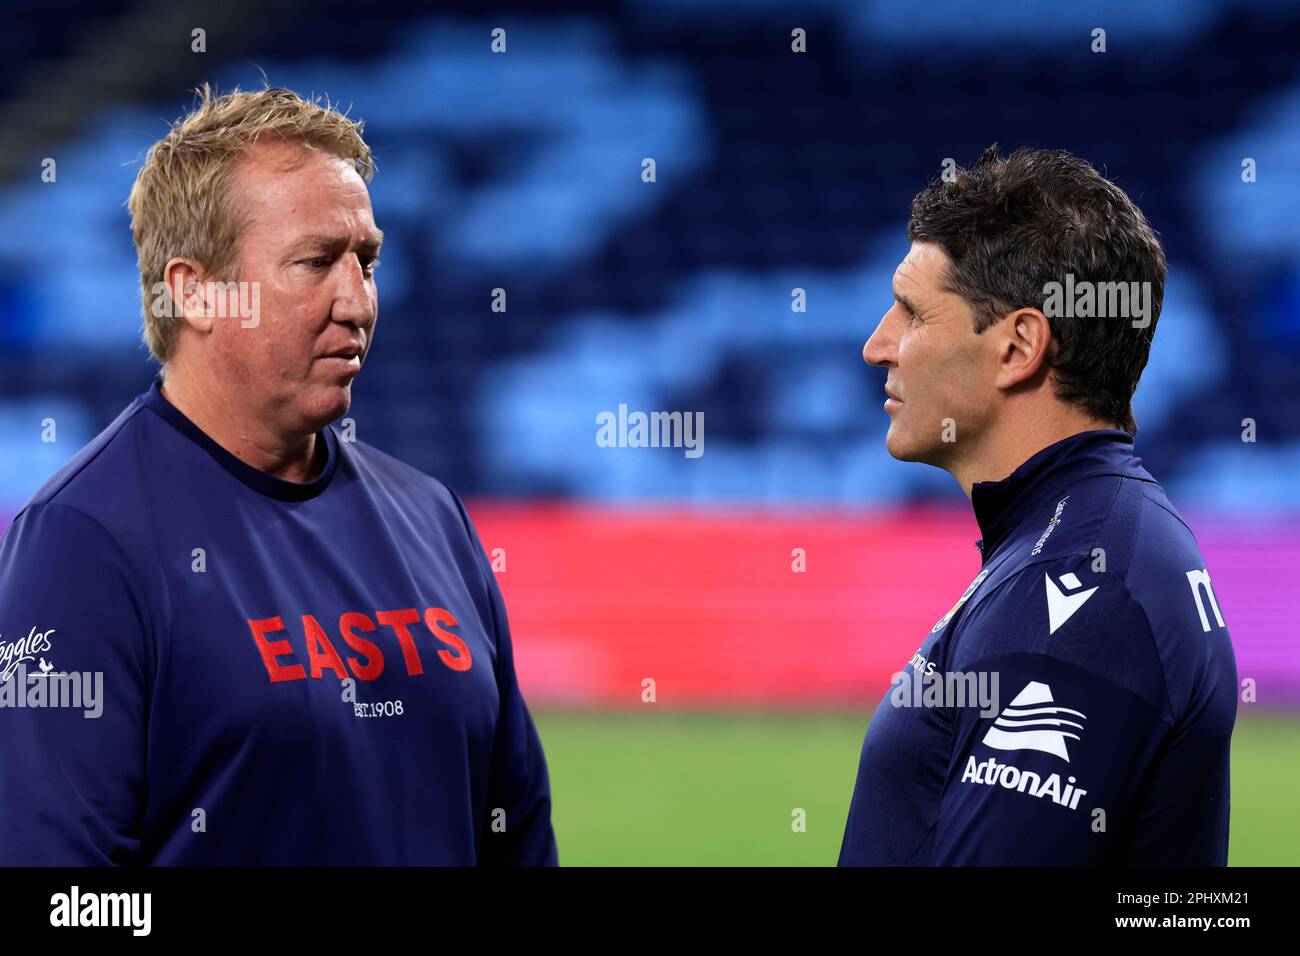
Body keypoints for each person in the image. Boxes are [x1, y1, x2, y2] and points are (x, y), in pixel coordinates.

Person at [0, 84, 557, 865]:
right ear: (194, 291)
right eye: (316, 262)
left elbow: (519, 837)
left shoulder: (433, 518)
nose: (356, 301)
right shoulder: (80, 544)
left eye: (366, 261)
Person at [839, 145, 1237, 865]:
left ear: (1019, 346)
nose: (877, 346)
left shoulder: (1083, 593)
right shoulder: (1085, 544)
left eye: (910, 312)